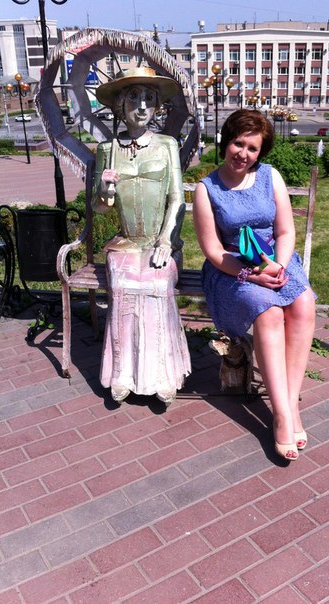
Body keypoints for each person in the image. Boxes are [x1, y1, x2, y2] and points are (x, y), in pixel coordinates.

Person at [193, 109, 316, 461]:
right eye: (238, 143)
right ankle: (281, 418)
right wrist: (251, 274)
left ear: (261, 152)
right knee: (269, 313)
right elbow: (214, 251)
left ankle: (289, 405)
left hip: (276, 259)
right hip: (232, 269)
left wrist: (277, 265)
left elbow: (286, 231)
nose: (243, 154)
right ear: (226, 141)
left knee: (304, 305)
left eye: (252, 148)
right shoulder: (207, 189)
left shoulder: (270, 176)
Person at [93, 66, 191, 404]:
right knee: (121, 286)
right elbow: (100, 208)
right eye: (134, 97)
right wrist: (105, 189)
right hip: (126, 243)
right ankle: (122, 373)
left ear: (158, 106)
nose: (142, 105)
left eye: (149, 98)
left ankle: (164, 373)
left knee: (158, 284)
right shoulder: (107, 150)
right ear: (120, 104)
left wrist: (166, 240)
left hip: (160, 242)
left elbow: (177, 199)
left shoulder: (167, 145)